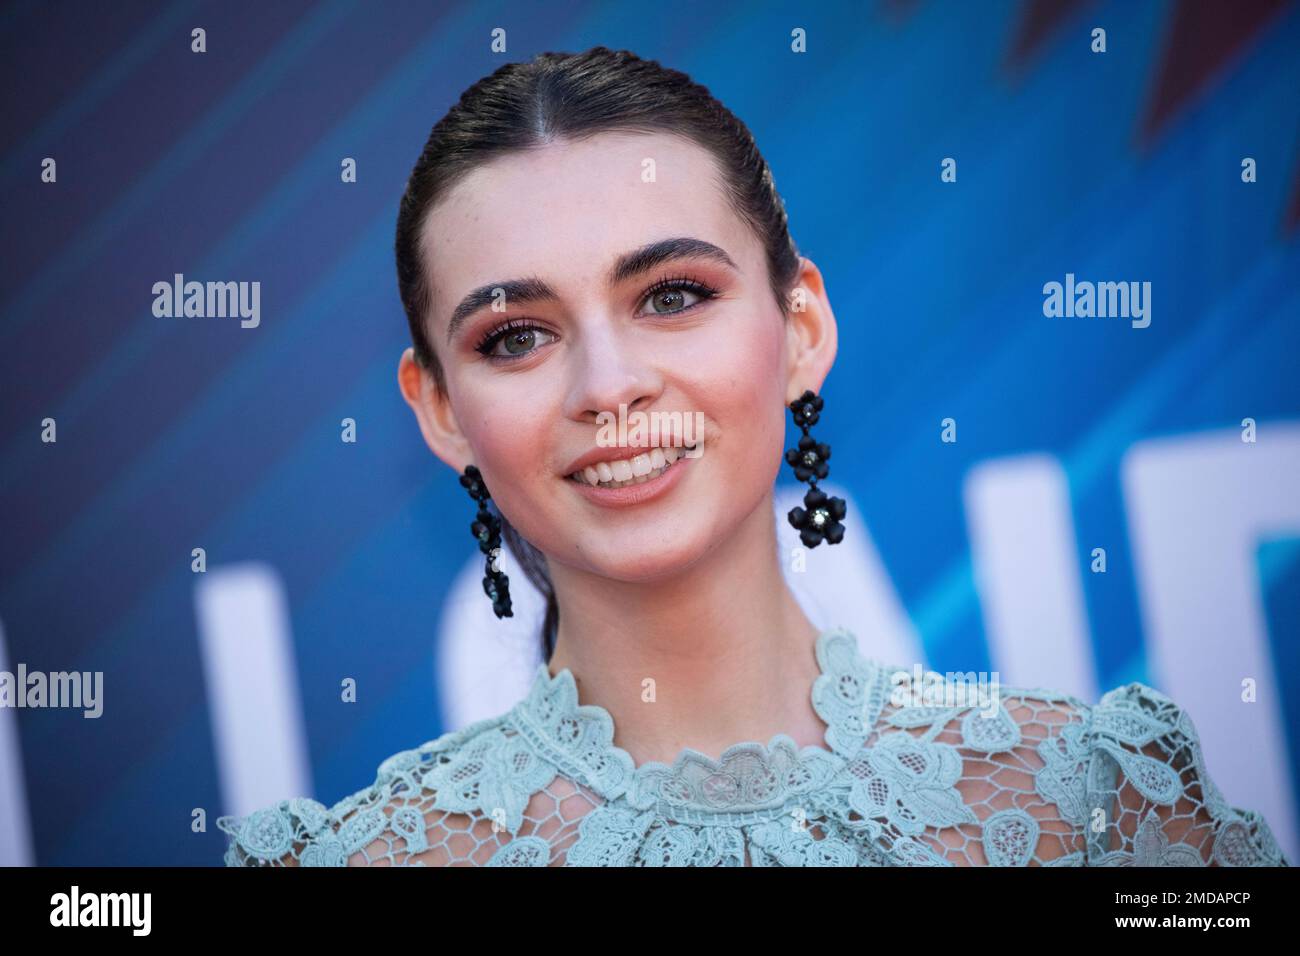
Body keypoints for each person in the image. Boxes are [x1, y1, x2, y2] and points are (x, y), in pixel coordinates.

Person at [216, 46, 1288, 867]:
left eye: (672, 296)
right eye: (516, 335)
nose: (607, 384)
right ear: (441, 408)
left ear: (803, 327)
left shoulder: (1096, 806)